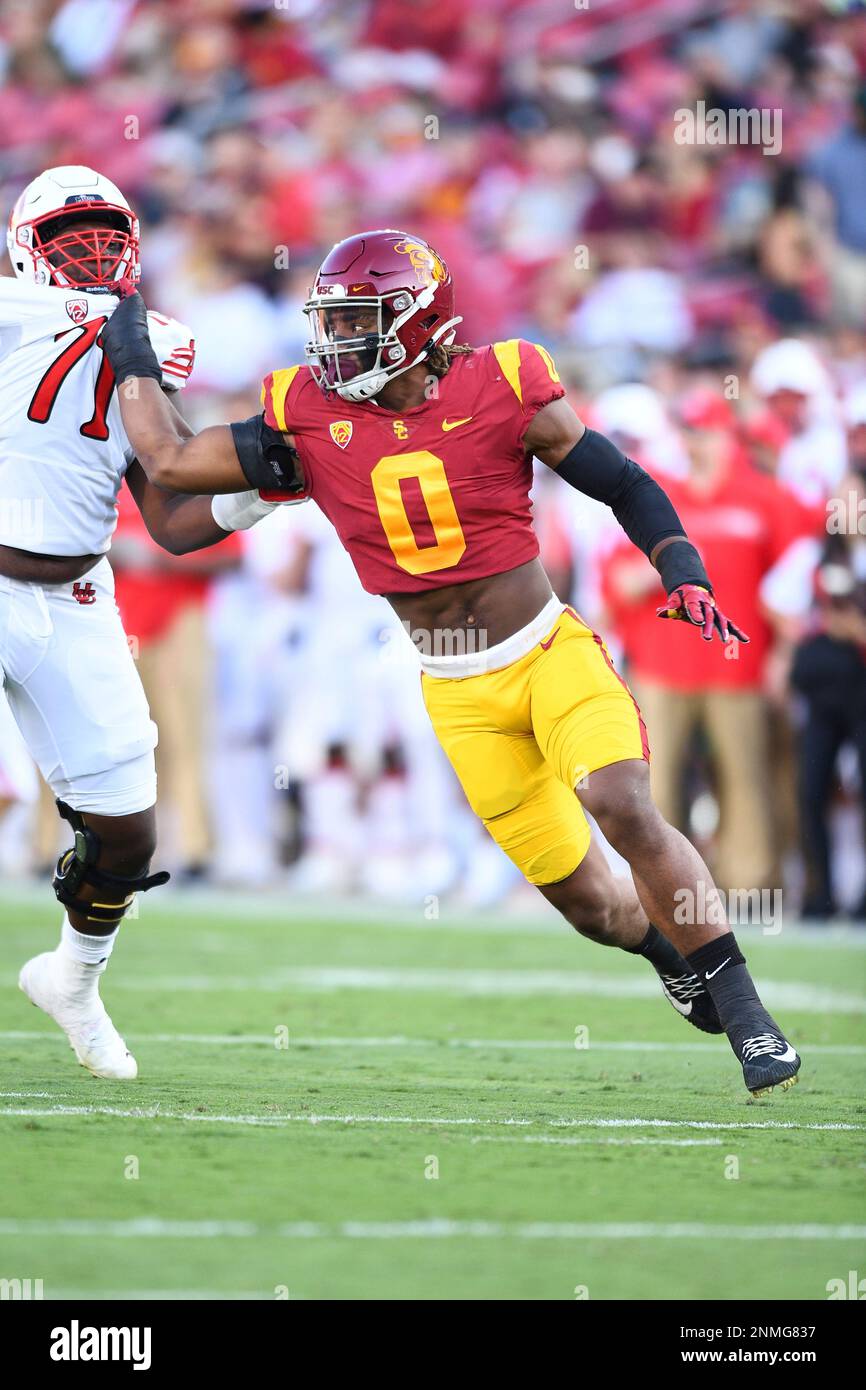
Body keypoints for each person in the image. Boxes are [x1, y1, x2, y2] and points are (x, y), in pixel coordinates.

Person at [99, 229, 802, 1096]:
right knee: (594, 909)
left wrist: (682, 569)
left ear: (414, 323)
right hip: (455, 691)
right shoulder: (306, 415)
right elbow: (171, 496)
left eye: (357, 322)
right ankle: (669, 953)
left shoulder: (502, 383)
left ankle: (750, 1022)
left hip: (546, 650)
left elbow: (622, 481)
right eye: (332, 321)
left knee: (621, 803)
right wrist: (123, 348)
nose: (334, 342)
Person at [1, 165, 280, 1079]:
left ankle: (73, 980)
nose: (90, 251)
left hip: (78, 598)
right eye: (67, 236)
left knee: (127, 830)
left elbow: (167, 516)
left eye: (103, 231)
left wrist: (255, 497)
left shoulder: (146, 349)